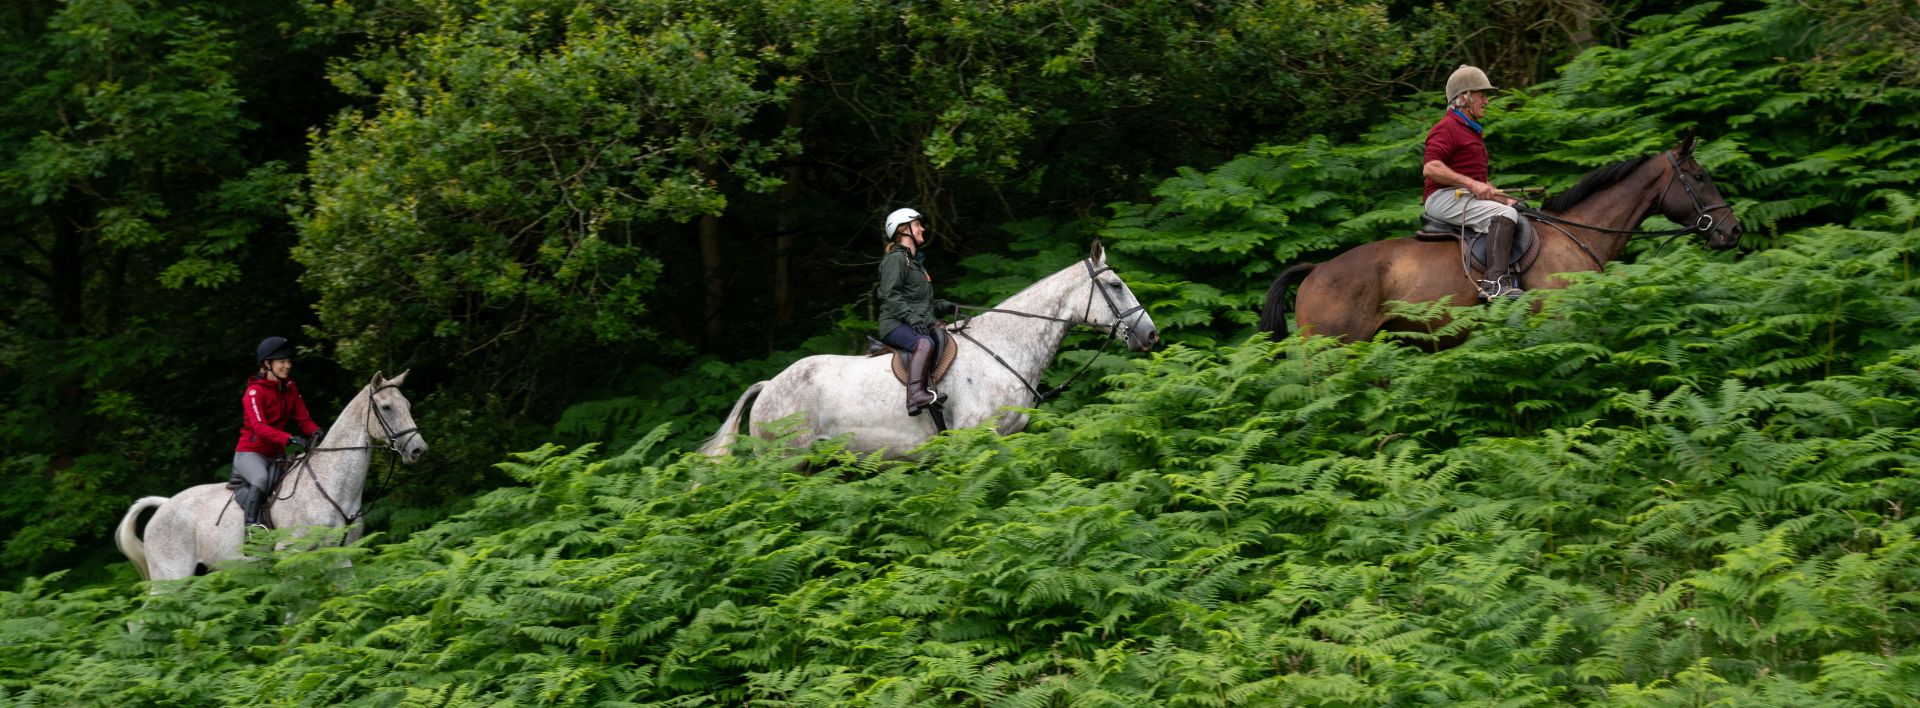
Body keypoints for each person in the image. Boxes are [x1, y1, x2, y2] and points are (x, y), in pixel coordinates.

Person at [1422, 64, 1524, 300]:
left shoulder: (1470, 130)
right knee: (1505, 216)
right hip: (1442, 198)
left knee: (1515, 208)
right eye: (1482, 95)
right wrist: (1472, 184)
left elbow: (1478, 185)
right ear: (1464, 98)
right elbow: (1431, 167)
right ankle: (1494, 283)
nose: (1486, 101)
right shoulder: (1447, 128)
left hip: (1461, 196)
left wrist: (1504, 198)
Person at [231, 336, 323, 530]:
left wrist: (316, 432)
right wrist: (289, 438)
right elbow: (259, 427)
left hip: (276, 454)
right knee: (261, 479)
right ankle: (251, 529)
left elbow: (304, 420)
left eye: (289, 361)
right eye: (282, 361)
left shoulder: (290, 389)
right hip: (250, 453)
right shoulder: (254, 392)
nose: (287, 365)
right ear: (267, 363)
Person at [875, 208, 957, 416]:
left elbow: (922, 304)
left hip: (912, 321)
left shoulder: (916, 264)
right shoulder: (896, 260)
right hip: (894, 324)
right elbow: (890, 294)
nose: (922, 228)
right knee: (924, 342)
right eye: (917, 225)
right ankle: (915, 395)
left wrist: (944, 305)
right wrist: (911, 318)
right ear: (904, 229)